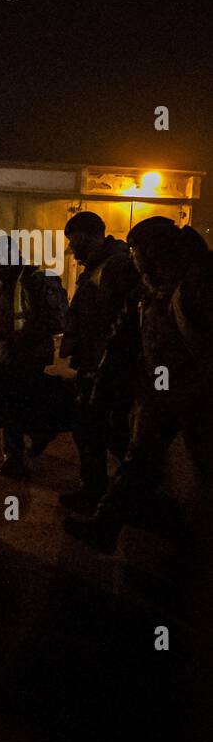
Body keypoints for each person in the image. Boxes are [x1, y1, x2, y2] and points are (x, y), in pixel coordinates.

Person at [65, 217, 212, 552]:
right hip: (163, 389)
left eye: (138, 251)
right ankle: (107, 524)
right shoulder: (149, 287)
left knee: (198, 462)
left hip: (199, 392)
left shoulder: (196, 283)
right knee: (140, 457)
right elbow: (123, 337)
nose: (134, 258)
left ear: (153, 250)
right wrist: (104, 380)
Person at [58, 211, 138, 513]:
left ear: (90, 234)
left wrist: (105, 362)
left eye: (74, 240)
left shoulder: (115, 266)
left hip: (108, 367)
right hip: (96, 364)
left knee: (101, 432)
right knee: (96, 431)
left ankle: (106, 493)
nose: (72, 249)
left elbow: (120, 321)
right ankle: (105, 490)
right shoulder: (100, 265)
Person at [0, 235, 62, 478]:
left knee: (17, 404)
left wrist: (15, 343)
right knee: (13, 404)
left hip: (30, 354)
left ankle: (32, 441)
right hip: (7, 354)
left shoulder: (33, 280)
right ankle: (17, 453)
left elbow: (51, 319)